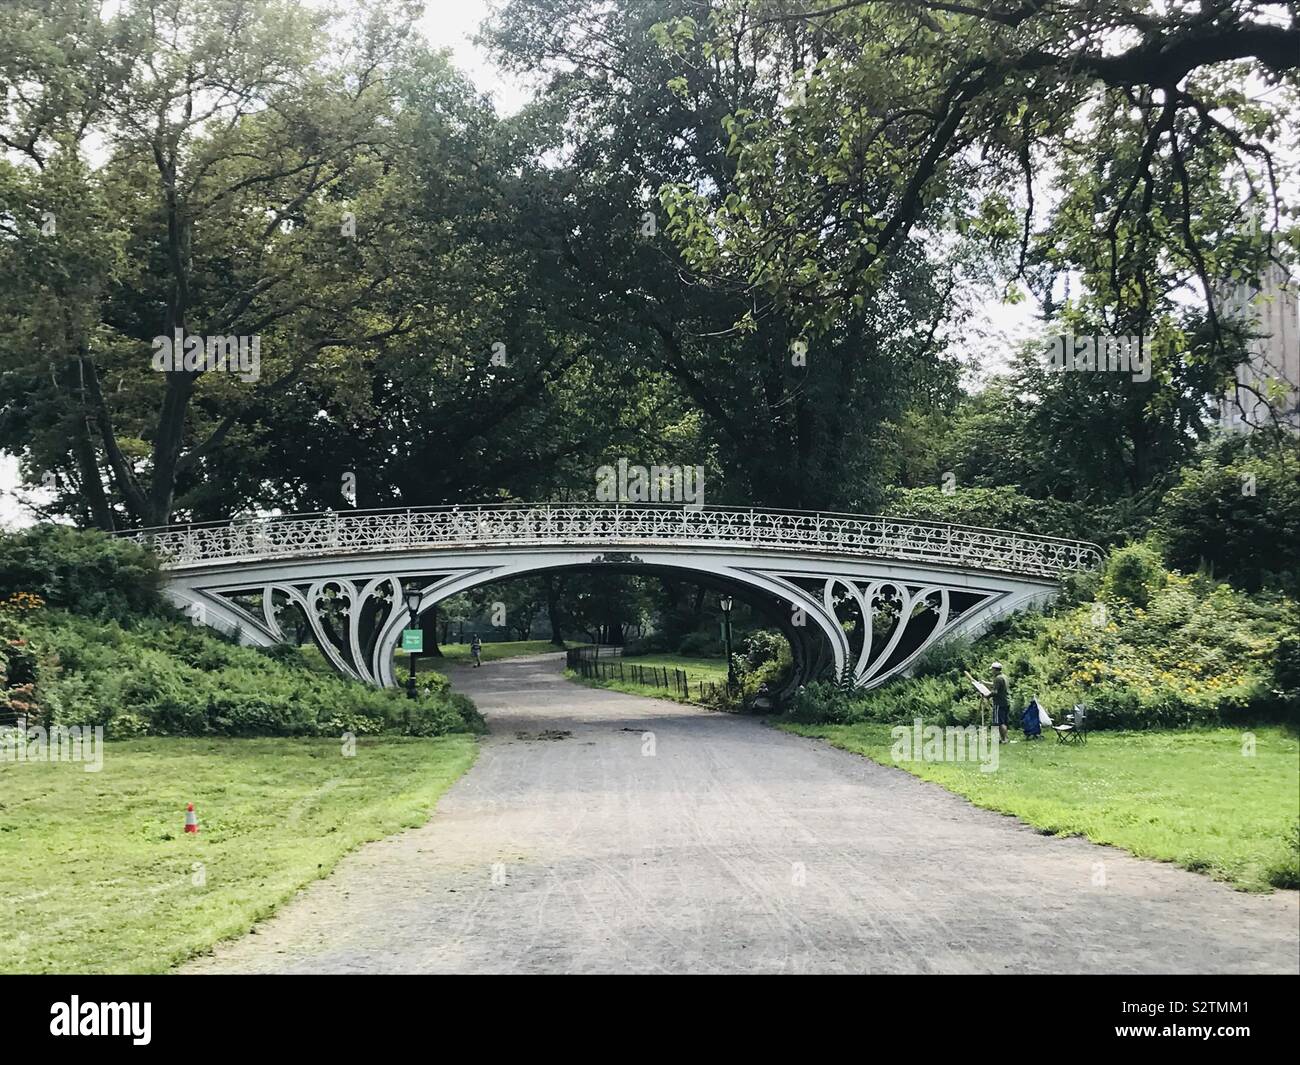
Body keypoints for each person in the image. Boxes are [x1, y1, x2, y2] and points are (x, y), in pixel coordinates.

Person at [988, 661, 1011, 743]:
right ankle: (1005, 738)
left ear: (995, 669)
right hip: (1006, 701)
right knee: (1004, 721)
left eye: (992, 670)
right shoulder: (1004, 677)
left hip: (999, 703)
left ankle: (1004, 739)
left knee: (999, 722)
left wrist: (987, 696)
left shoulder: (997, 678)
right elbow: (995, 685)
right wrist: (985, 683)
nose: (992, 671)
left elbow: (995, 692)